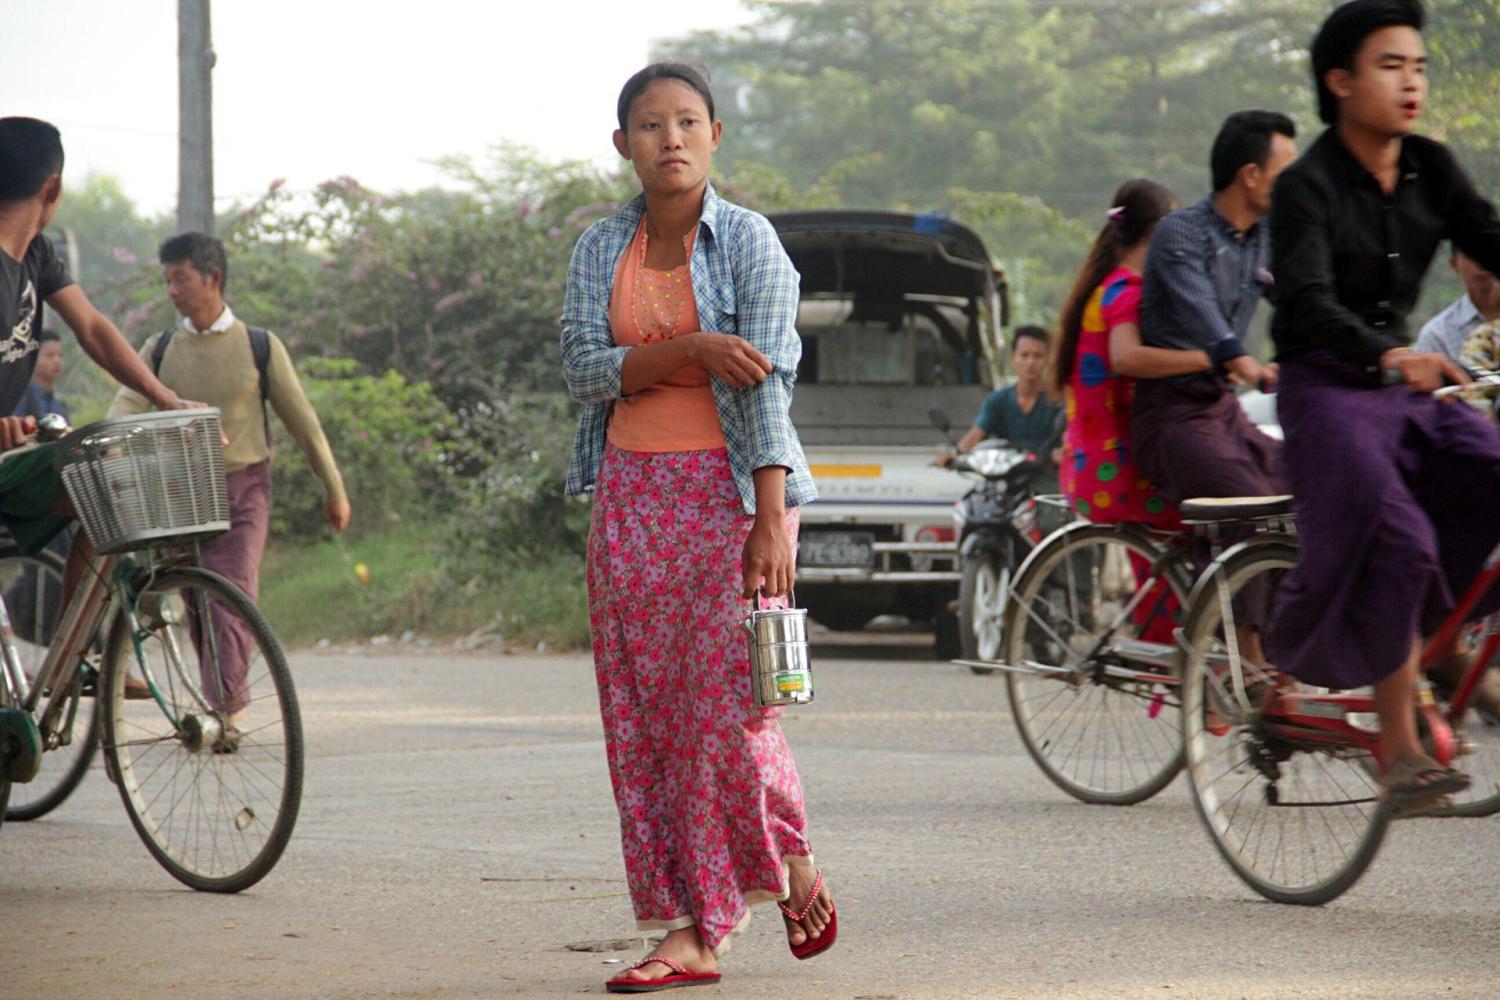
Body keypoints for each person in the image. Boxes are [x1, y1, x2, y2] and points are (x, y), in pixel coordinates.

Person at [560, 63, 833, 993]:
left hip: (731, 500)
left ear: (715, 134)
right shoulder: (602, 247)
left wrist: (768, 519)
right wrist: (687, 351)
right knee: (642, 720)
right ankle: (686, 929)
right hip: (629, 501)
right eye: (648, 125)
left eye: (685, 122)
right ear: (622, 145)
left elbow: (767, 387)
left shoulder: (752, 244)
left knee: (729, 712)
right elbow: (583, 369)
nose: (668, 139)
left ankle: (780, 862)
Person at [1265, 0, 1500, 808]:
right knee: (1393, 535)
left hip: (1403, 387)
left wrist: (1403, 365)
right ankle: (1398, 745)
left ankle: (1439, 644)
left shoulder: (1432, 167)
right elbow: (1302, 299)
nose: (1412, 82)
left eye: (1420, 66)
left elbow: (1490, 236)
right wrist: (1390, 354)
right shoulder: (1305, 187)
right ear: (1340, 82)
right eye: (1391, 66)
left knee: (1490, 469)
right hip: (1327, 387)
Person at [108, 232, 350, 724]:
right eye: (167, 280)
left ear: (212, 278)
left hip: (244, 492)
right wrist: (108, 442)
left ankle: (226, 712)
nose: (172, 290)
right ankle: (220, 703)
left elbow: (303, 422)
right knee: (197, 599)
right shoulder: (160, 349)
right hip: (180, 495)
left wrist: (334, 489)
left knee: (229, 593)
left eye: (181, 278)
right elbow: (126, 402)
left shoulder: (259, 346)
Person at [0, 117, 192, 611]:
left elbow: (93, 329)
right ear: (54, 186)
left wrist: (164, 396)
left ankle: (78, 655)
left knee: (104, 479)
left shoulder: (36, 253)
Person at [1131, 110, 1298, 509]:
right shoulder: (1182, 232)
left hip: (1224, 411)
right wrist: (1249, 367)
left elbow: (1301, 302)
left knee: (1305, 487)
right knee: (1254, 509)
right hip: (1172, 419)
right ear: (1251, 175)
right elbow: (1205, 316)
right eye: (1286, 175)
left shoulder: (1264, 237)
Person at [1051, 179, 1213, 528]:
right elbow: (1126, 357)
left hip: (1087, 470)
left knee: (1159, 569)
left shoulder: (1103, 288)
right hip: (1119, 475)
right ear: (1157, 233)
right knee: (1211, 519)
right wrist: (1204, 359)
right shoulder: (1128, 290)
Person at [1414, 246, 1500, 362]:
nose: (1482, 264)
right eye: (1471, 256)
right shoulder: (1437, 335)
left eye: (1489, 254)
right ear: (1454, 264)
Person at [13, 327, 67, 421]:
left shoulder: (59, 403)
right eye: (50, 355)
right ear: (33, 357)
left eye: (60, 355)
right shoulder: (19, 398)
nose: (57, 361)